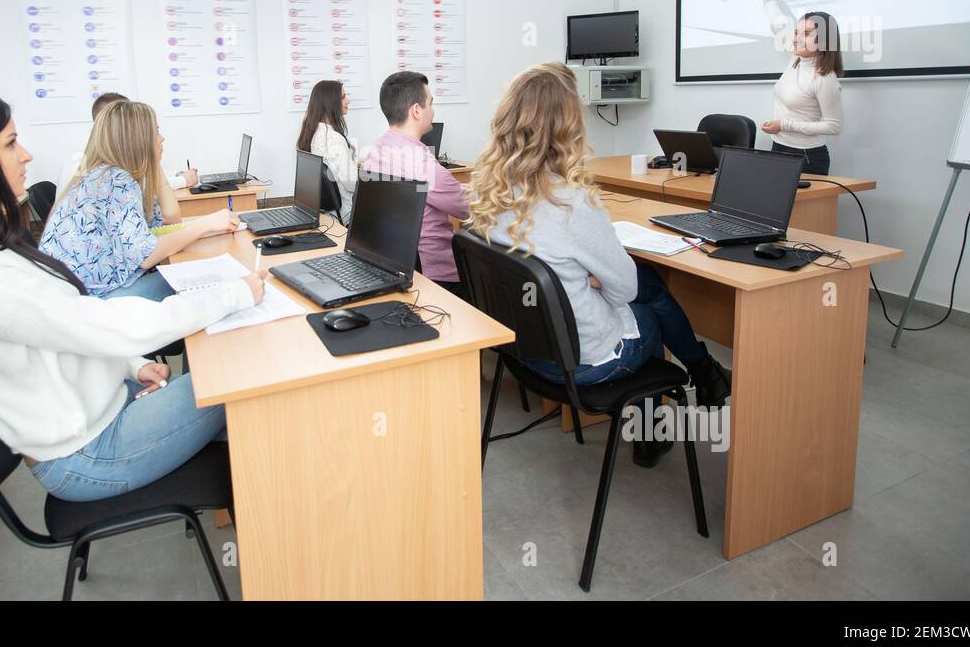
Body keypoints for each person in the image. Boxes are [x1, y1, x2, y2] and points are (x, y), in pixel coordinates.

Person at [0, 87, 265, 502]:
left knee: (247, 400)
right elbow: (105, 324)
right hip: (89, 454)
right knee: (249, 378)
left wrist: (131, 365)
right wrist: (232, 294)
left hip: (105, 412)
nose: (27, 155)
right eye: (11, 143)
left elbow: (66, 322)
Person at [467, 63, 731, 467]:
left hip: (523, 352)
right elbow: (623, 291)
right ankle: (681, 396)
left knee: (646, 285)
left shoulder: (489, 190)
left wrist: (576, 278)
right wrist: (588, 280)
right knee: (648, 298)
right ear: (569, 127)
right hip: (583, 363)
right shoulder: (572, 202)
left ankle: (699, 375)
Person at [41, 99, 240, 301]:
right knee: (203, 279)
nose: (162, 138)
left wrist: (202, 225)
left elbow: (163, 224)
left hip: (77, 294)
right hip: (94, 301)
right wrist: (205, 225)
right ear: (137, 140)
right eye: (155, 132)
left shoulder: (103, 174)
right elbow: (145, 255)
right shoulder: (114, 180)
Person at [362, 71, 469, 298]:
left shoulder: (377, 150)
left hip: (394, 267)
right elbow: (466, 207)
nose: (432, 110)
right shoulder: (418, 161)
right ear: (416, 110)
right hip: (435, 278)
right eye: (430, 102)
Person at [755, 0, 844, 175]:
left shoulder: (825, 79)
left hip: (807, 157)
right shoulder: (795, 58)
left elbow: (834, 126)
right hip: (779, 148)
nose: (797, 38)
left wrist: (784, 125)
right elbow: (778, 23)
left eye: (807, 33)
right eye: (797, 32)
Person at [58, 92, 199, 191]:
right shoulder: (86, 162)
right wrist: (183, 180)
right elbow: (140, 187)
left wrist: (177, 175)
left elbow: (143, 177)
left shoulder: (110, 150)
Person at [296, 80, 358, 222]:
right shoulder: (333, 139)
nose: (348, 100)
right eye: (343, 97)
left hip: (328, 213)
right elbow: (353, 183)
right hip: (346, 214)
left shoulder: (313, 132)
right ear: (330, 102)